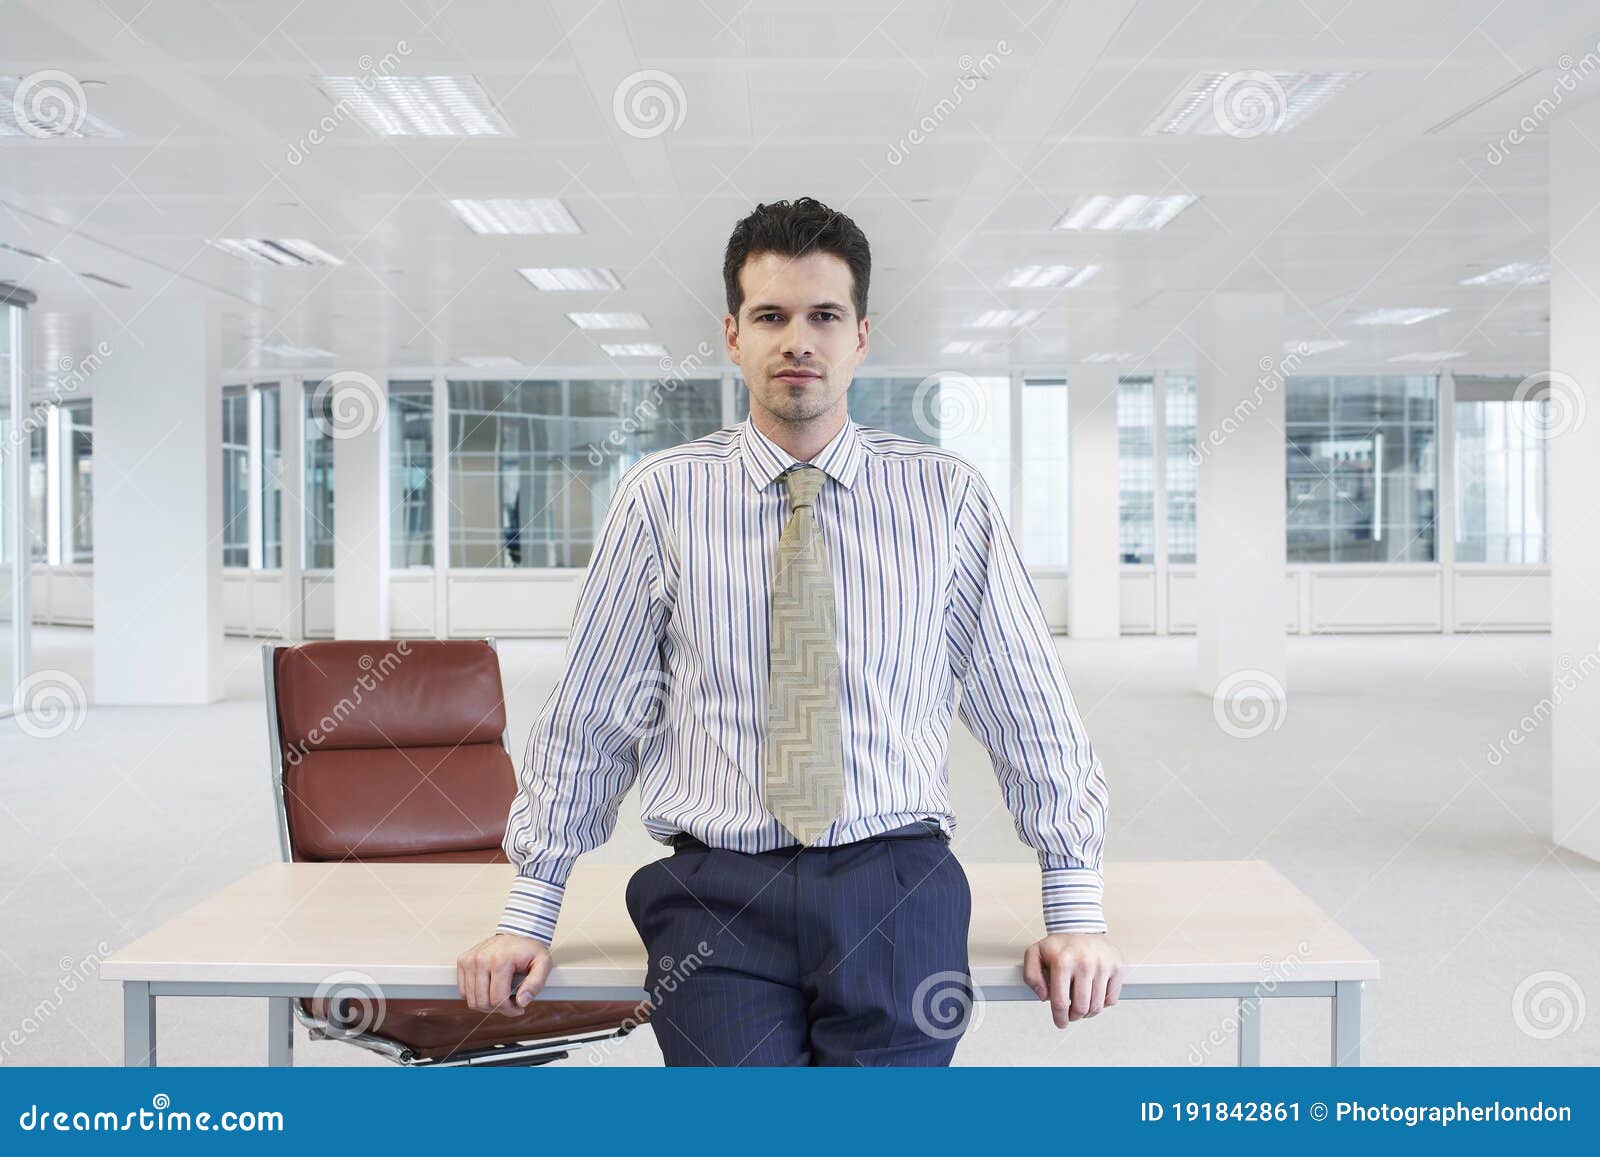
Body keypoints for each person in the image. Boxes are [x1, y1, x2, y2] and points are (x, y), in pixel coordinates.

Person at [458, 196, 1121, 1065]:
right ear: (733, 335)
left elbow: (1026, 706)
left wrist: (1075, 911)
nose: (797, 340)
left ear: (861, 336)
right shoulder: (662, 497)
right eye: (771, 315)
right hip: (715, 894)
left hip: (897, 881)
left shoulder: (946, 498)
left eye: (824, 316)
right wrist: (528, 913)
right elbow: (594, 715)